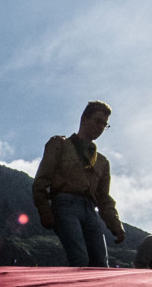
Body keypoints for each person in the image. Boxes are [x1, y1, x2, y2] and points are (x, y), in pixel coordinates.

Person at [32, 101, 125, 267]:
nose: (100, 127)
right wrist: (44, 210)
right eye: (97, 121)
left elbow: (104, 198)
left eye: (104, 124)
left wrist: (115, 224)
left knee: (101, 264)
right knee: (80, 259)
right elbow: (42, 180)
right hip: (65, 205)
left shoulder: (102, 162)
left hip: (90, 210)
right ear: (84, 119)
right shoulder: (59, 144)